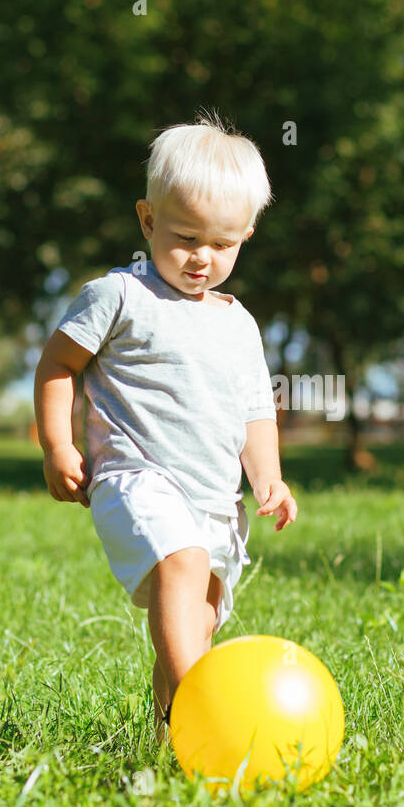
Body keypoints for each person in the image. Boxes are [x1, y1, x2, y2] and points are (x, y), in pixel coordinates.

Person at [33, 110, 297, 745]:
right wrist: (57, 444)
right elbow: (57, 363)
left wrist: (269, 477)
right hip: (137, 477)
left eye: (222, 244)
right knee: (181, 563)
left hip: (214, 499)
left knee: (195, 625)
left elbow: (255, 409)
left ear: (246, 235)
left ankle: (173, 746)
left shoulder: (239, 325)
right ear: (148, 220)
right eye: (185, 238)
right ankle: (212, 715)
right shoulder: (119, 296)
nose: (202, 258)